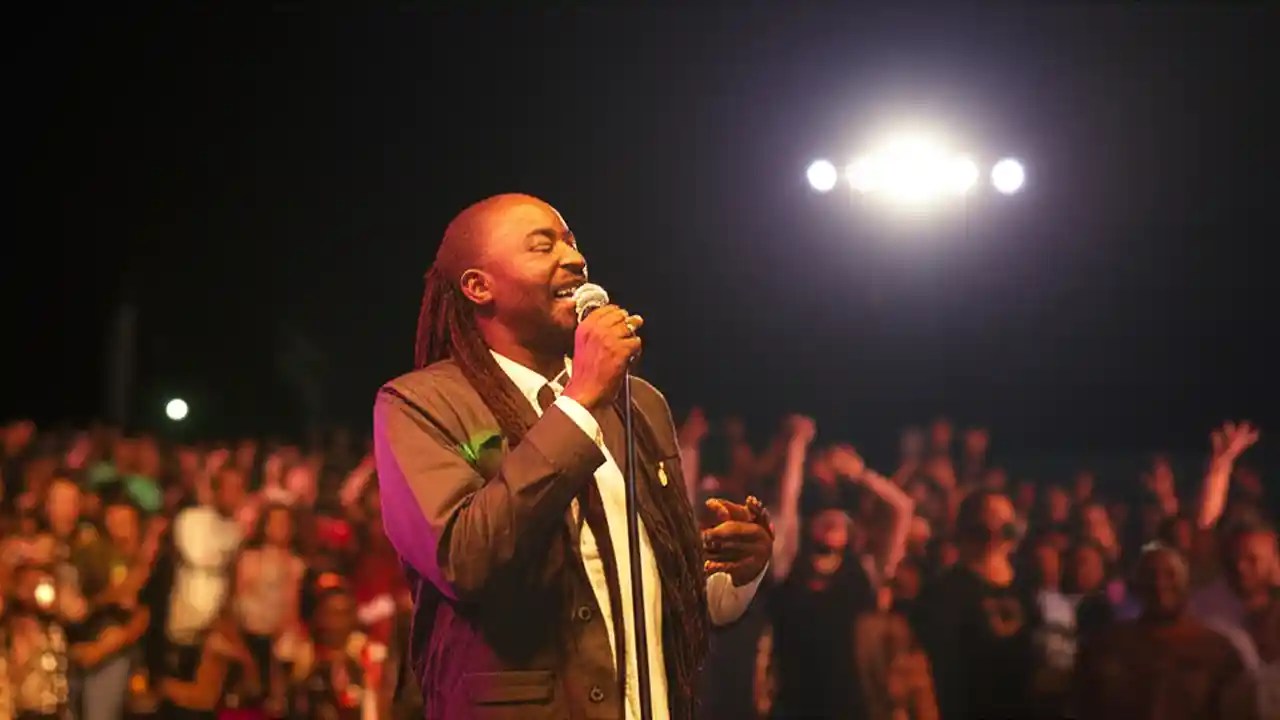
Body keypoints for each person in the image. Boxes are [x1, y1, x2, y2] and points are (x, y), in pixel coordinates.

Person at [372, 193, 773, 720]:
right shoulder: (419, 404)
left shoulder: (640, 403)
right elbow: (464, 559)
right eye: (543, 247)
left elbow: (646, 588)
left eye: (572, 242)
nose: (575, 259)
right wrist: (580, 400)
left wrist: (736, 575)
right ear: (478, 286)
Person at [1075, 544, 1245, 720]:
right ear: (1136, 585)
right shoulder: (1106, 647)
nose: (1159, 583)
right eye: (1150, 575)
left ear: (1187, 583)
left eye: (1170, 575)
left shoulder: (1216, 650)